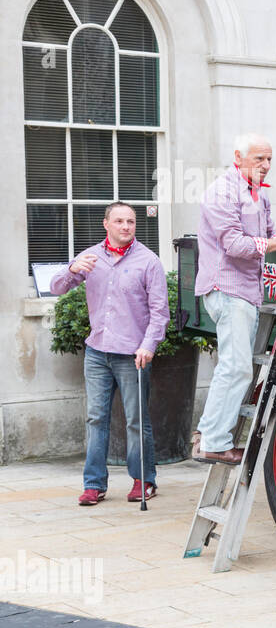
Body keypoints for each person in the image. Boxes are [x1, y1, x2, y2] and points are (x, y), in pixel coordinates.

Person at [192, 134, 276, 464]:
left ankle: (208, 434)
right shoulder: (222, 192)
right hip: (228, 290)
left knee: (233, 369)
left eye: (269, 159)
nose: (266, 165)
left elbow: (269, 235)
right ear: (238, 157)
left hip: (244, 292)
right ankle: (214, 443)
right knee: (236, 369)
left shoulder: (258, 195)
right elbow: (235, 246)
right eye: (259, 159)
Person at [50, 203, 169, 506]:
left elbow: (160, 313)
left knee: (135, 421)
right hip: (97, 352)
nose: (126, 226)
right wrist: (71, 270)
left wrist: (149, 345)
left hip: (133, 355)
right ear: (106, 224)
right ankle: (94, 485)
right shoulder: (90, 258)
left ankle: (144, 481)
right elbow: (56, 288)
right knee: (95, 419)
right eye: (119, 221)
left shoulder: (148, 262)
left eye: (131, 221)